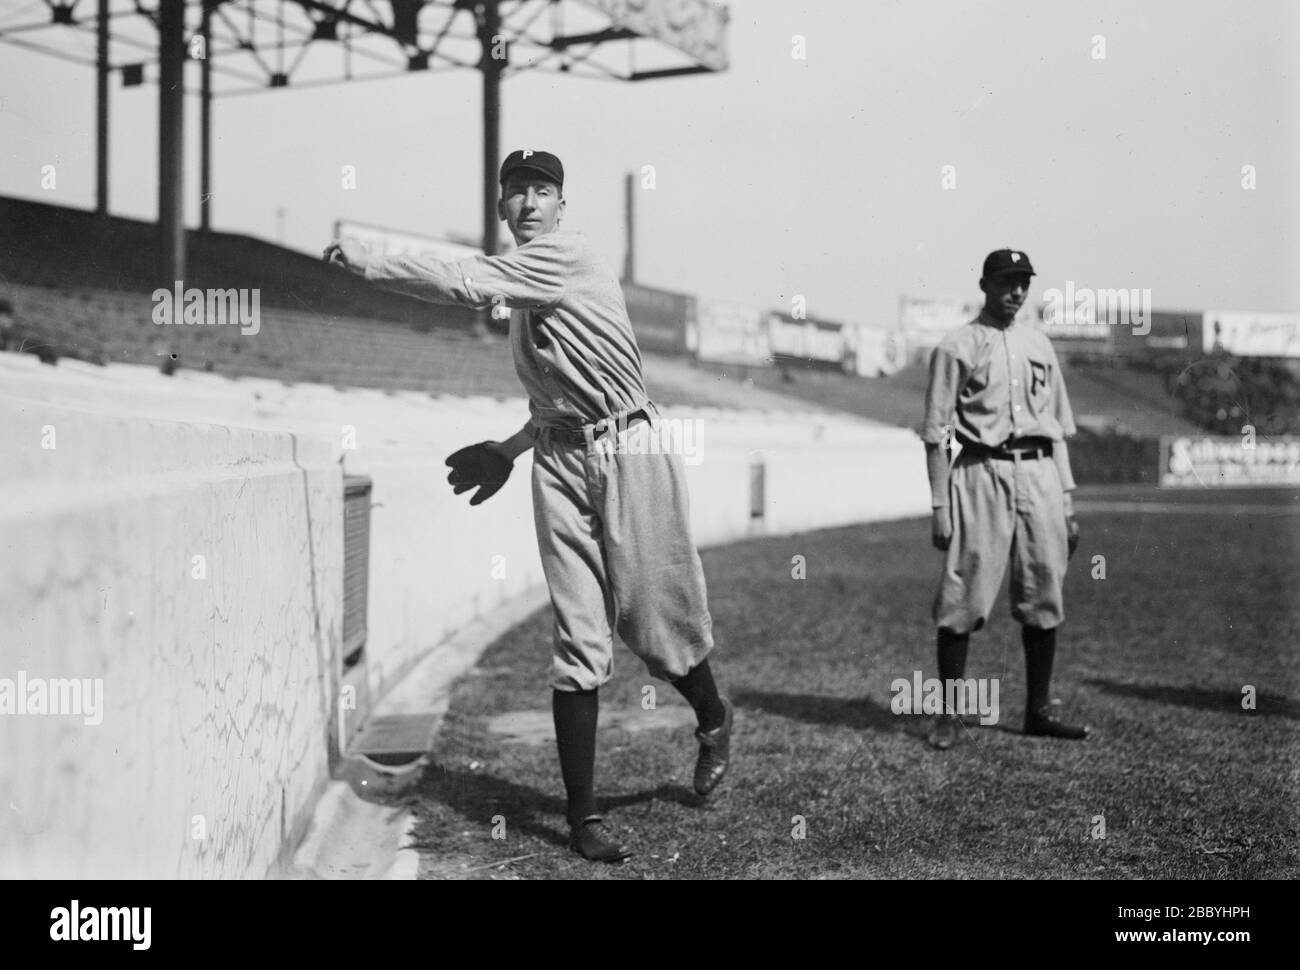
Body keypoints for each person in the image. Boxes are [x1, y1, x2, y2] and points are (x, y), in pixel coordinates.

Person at [323, 149, 733, 863]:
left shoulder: (562, 257)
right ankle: (584, 821)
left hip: (630, 452)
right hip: (559, 458)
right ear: (505, 209)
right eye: (516, 194)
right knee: (579, 640)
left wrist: (369, 263)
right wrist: (509, 451)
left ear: (562, 207)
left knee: (656, 623)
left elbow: (460, 279)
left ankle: (714, 716)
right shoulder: (528, 285)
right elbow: (555, 401)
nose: (530, 204)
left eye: (543, 191)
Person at [921, 248, 1092, 750]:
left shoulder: (1040, 342)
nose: (1016, 290)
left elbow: (1057, 428)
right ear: (984, 284)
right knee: (963, 595)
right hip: (981, 471)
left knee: (1044, 593)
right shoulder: (957, 346)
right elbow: (936, 433)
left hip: (1039, 472)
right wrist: (939, 505)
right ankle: (950, 714)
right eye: (1006, 281)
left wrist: (1067, 499)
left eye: (1023, 282)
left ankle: (1038, 710)